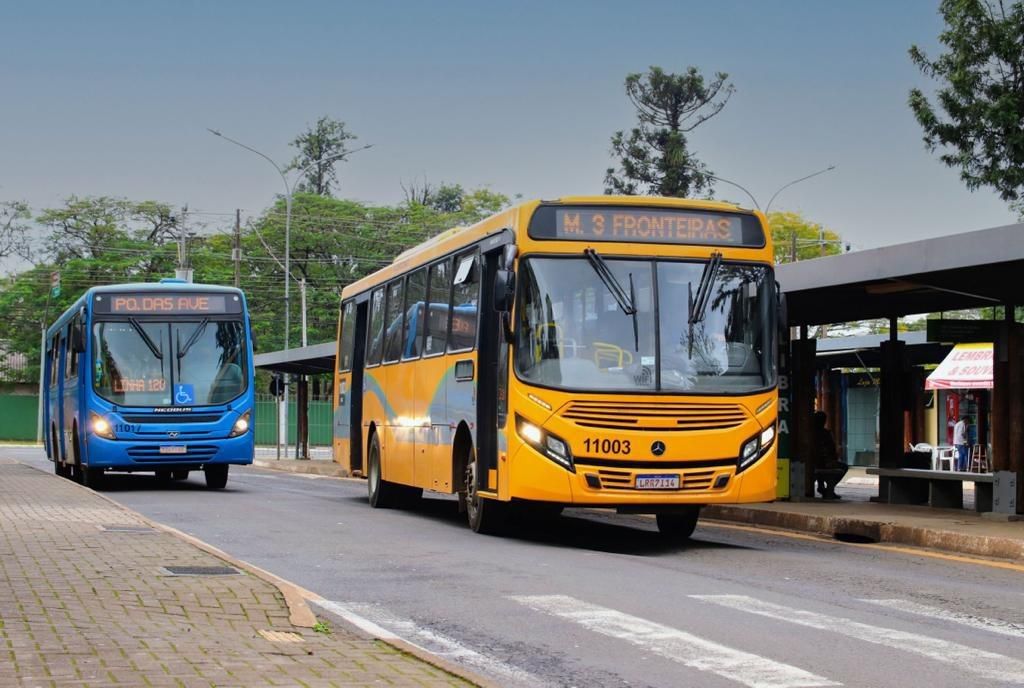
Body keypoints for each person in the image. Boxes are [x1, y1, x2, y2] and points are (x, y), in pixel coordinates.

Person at [813, 411, 848, 500]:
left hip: (815, 463)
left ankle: (824, 487)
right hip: (825, 462)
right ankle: (829, 488)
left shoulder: (810, 433)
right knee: (843, 467)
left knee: (819, 464)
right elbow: (831, 450)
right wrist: (833, 459)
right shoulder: (826, 433)